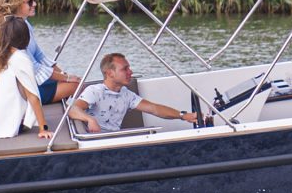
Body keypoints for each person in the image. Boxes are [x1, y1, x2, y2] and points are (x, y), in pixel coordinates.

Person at [0, 0, 78, 104]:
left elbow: (39, 55)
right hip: (22, 89)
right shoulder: (14, 30)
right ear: (16, 4)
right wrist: (67, 78)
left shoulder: (25, 23)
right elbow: (33, 67)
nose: (34, 4)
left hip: (29, 80)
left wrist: (63, 74)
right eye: (30, 1)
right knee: (76, 85)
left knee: (73, 81)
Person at [69, 53, 199, 133]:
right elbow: (73, 109)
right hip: (95, 144)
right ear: (110, 73)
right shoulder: (94, 91)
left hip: (115, 140)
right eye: (125, 69)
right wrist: (90, 120)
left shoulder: (126, 94)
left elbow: (154, 109)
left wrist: (183, 115)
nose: (130, 72)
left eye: (129, 68)